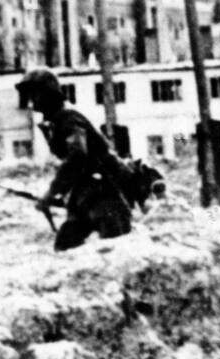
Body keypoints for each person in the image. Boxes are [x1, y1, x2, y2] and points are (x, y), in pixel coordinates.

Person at [16, 68, 133, 253]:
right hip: (85, 193)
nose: (32, 100)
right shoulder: (57, 121)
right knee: (65, 246)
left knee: (118, 253)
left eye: (35, 93)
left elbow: (77, 156)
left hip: (105, 193)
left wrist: (52, 192)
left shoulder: (68, 118)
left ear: (49, 93)